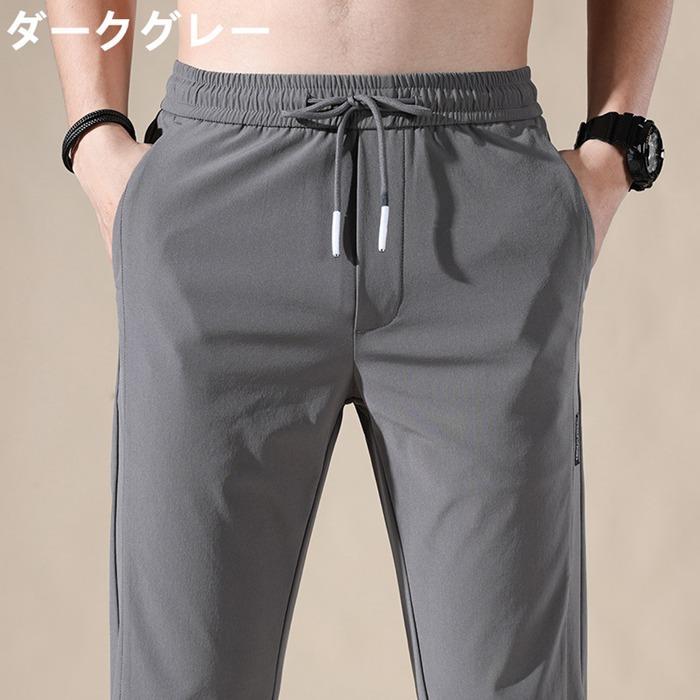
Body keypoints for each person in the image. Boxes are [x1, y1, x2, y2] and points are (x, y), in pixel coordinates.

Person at [48, 1, 673, 698]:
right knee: (178, 680)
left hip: (480, 199)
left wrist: (614, 148)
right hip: (217, 200)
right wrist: (94, 139)